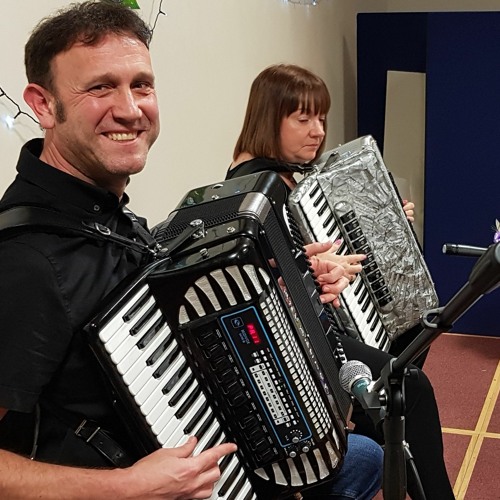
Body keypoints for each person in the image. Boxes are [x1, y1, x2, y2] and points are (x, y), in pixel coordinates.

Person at [0, 3, 383, 499]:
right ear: (44, 104)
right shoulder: (28, 262)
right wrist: (128, 486)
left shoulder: (106, 217)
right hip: (125, 486)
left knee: (361, 457)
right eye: (100, 87)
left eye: (141, 85)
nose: (131, 108)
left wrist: (295, 282)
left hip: (202, 452)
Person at [226, 63, 455, 500]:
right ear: (267, 118)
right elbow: (273, 289)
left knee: (409, 340)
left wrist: (386, 222)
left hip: (326, 326)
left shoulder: (296, 175)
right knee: (409, 388)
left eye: (322, 119)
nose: (317, 131)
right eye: (303, 118)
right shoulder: (251, 188)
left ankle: (395, 460)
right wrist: (322, 276)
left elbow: (338, 237)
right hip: (295, 341)